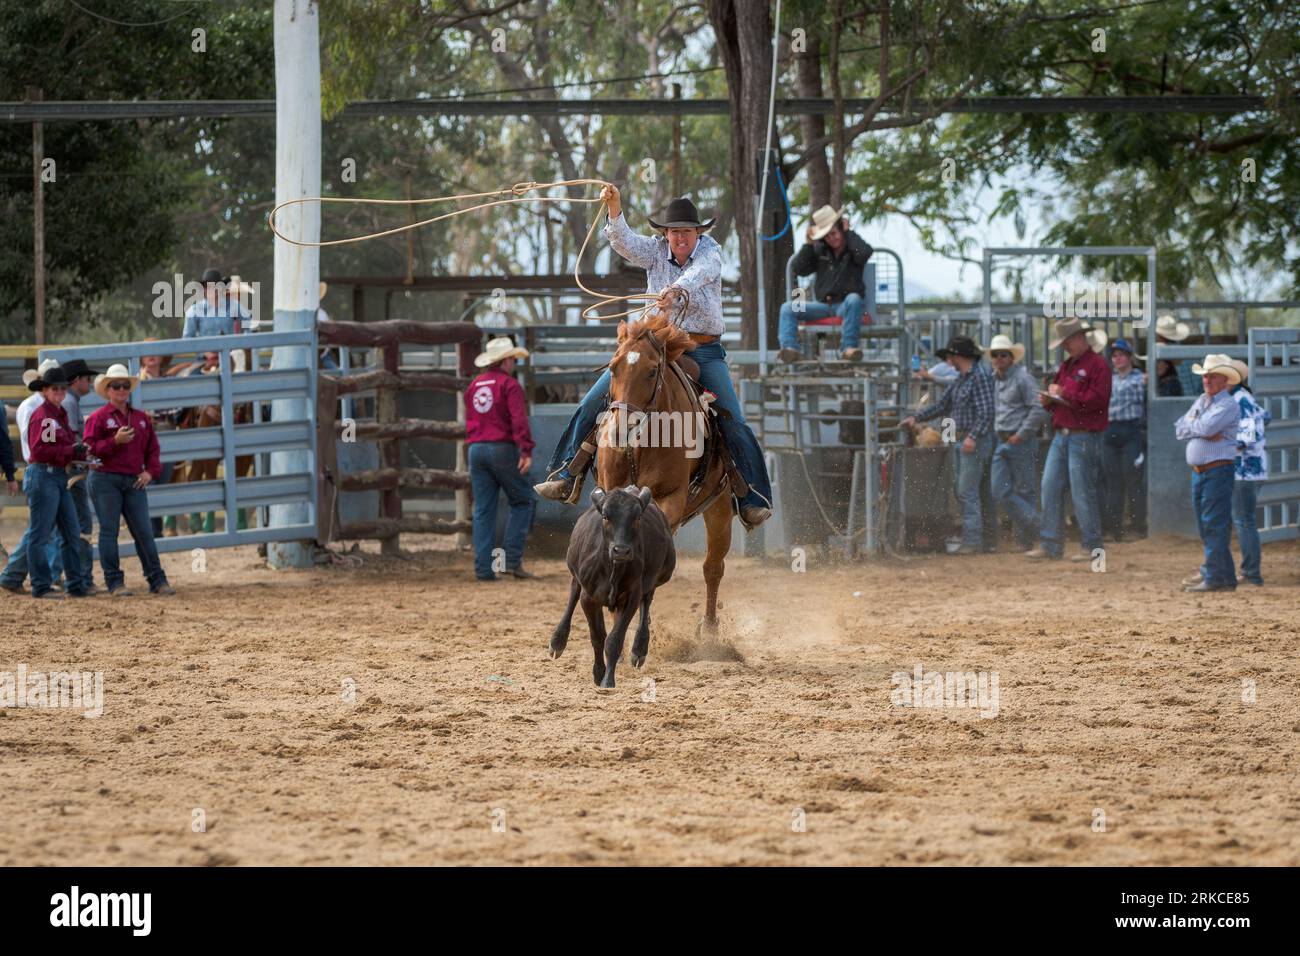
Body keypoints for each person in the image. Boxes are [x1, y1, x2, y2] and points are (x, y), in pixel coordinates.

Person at [533, 186, 773, 528]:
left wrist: (677, 289)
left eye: (686, 231)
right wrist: (614, 208)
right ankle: (568, 472)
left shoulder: (711, 253)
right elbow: (624, 243)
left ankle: (751, 496)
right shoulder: (655, 251)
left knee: (733, 418)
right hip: (654, 345)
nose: (680, 237)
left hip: (701, 349)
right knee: (594, 401)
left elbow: (701, 272)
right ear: (665, 233)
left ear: (698, 233)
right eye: (674, 231)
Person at [1026, 318, 1112, 563]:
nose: (1064, 346)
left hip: (1084, 434)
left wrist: (1064, 394)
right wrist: (1050, 400)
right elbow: (1075, 399)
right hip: (1064, 433)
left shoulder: (1098, 366)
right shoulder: (1068, 366)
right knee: (1050, 486)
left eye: (1067, 341)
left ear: (1080, 338)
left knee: (1082, 490)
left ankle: (1092, 546)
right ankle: (1051, 544)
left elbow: (1098, 400)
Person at [900, 336, 996, 554]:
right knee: (976, 491)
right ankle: (986, 540)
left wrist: (972, 437)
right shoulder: (963, 379)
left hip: (973, 440)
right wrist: (917, 417)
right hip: (966, 439)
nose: (948, 360)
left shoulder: (978, 377)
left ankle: (973, 541)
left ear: (958, 356)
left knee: (967, 491)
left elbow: (986, 412)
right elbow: (944, 405)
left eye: (951, 356)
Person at [83, 364, 174, 596]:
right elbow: (89, 450)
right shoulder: (98, 418)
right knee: (109, 531)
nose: (121, 390)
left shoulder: (142, 419)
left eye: (125, 385)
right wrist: (115, 441)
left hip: (133, 480)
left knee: (143, 531)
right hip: (105, 479)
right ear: (108, 389)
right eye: (116, 386)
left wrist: (150, 473)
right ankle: (115, 582)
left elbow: (153, 450)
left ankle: (156, 579)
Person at [466, 337, 538, 582]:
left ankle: (483, 569)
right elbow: (519, 420)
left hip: (476, 449)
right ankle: (511, 561)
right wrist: (526, 450)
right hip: (502, 449)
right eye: (512, 359)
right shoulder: (509, 385)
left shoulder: (474, 385)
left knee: (483, 510)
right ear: (506, 360)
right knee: (523, 500)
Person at [1174, 355, 1241, 592]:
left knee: (1213, 524)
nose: (1207, 380)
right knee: (1209, 526)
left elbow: (1202, 427)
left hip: (1217, 470)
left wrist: (1198, 427)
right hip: (1203, 471)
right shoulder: (1204, 401)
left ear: (1224, 379)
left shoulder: (1227, 404)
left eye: (1212, 376)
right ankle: (1223, 576)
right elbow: (1179, 428)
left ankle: (1214, 576)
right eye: (1205, 375)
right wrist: (1200, 429)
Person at [23, 365, 90, 599]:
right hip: (45, 475)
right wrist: (72, 450)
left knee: (69, 533)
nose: (60, 392)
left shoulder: (56, 415)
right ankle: (41, 586)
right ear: (45, 391)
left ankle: (75, 584)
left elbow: (51, 449)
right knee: (41, 535)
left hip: (54, 476)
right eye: (55, 389)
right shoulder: (46, 417)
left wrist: (80, 453)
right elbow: (41, 450)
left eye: (62, 388)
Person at [777, 205, 874, 363]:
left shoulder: (853, 248)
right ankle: (790, 349)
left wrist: (849, 232)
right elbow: (799, 268)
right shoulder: (819, 250)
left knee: (854, 299)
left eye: (834, 233)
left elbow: (865, 253)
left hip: (846, 306)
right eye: (827, 236)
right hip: (822, 306)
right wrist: (809, 244)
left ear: (842, 229)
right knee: (788, 308)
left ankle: (848, 348)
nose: (832, 238)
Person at [986, 334, 1048, 550]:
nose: (999, 358)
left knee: (1022, 490)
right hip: (1004, 438)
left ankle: (1026, 540)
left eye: (1004, 355)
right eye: (996, 355)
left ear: (1012, 358)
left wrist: (1021, 434)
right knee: (1000, 491)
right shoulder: (996, 379)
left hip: (1018, 439)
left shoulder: (1023, 378)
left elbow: (1038, 408)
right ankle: (1040, 526)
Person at [50, 358, 99, 594]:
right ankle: (82, 578)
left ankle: (67, 575)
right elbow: (71, 442)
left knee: (64, 526)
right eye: (87, 379)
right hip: (73, 473)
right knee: (80, 526)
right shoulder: (70, 404)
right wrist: (85, 460)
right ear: (76, 381)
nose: (90, 382)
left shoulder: (68, 402)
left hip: (69, 471)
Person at [1101, 339, 1146, 542]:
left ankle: (1137, 527)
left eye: (1121, 355)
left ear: (1129, 357)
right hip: (1110, 430)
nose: (1117, 358)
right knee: (1113, 482)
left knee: (1132, 480)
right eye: (1115, 355)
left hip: (1130, 429)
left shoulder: (1140, 378)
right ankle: (1115, 528)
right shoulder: (1110, 379)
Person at [183, 267, 245, 338]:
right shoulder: (194, 310)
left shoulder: (234, 305)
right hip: (205, 348)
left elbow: (249, 326)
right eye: (208, 285)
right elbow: (187, 338)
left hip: (230, 348)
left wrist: (244, 345)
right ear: (204, 289)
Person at [1155, 314, 1201, 397]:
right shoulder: (1192, 355)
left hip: (1172, 401)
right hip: (1194, 402)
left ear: (1159, 336)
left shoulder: (1159, 354)